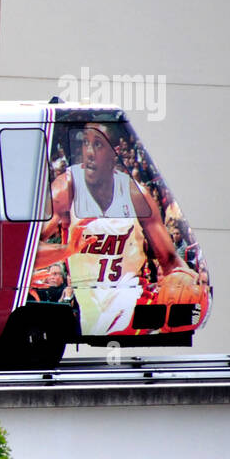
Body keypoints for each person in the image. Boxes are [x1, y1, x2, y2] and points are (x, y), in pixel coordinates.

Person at [35, 122, 202, 335]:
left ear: (116, 151)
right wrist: (67, 249)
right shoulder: (66, 188)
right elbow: (26, 254)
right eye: (85, 143)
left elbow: (169, 260)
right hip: (90, 307)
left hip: (134, 301)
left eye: (98, 144)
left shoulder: (136, 196)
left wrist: (185, 276)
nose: (89, 152)